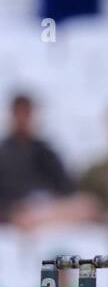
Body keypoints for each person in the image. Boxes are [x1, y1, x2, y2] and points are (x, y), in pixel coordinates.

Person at [0, 92, 94, 227]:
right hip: (14, 212)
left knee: (87, 204)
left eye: (26, 113)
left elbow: (66, 185)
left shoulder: (44, 151)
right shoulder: (4, 154)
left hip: (47, 209)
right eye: (19, 113)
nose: (23, 118)